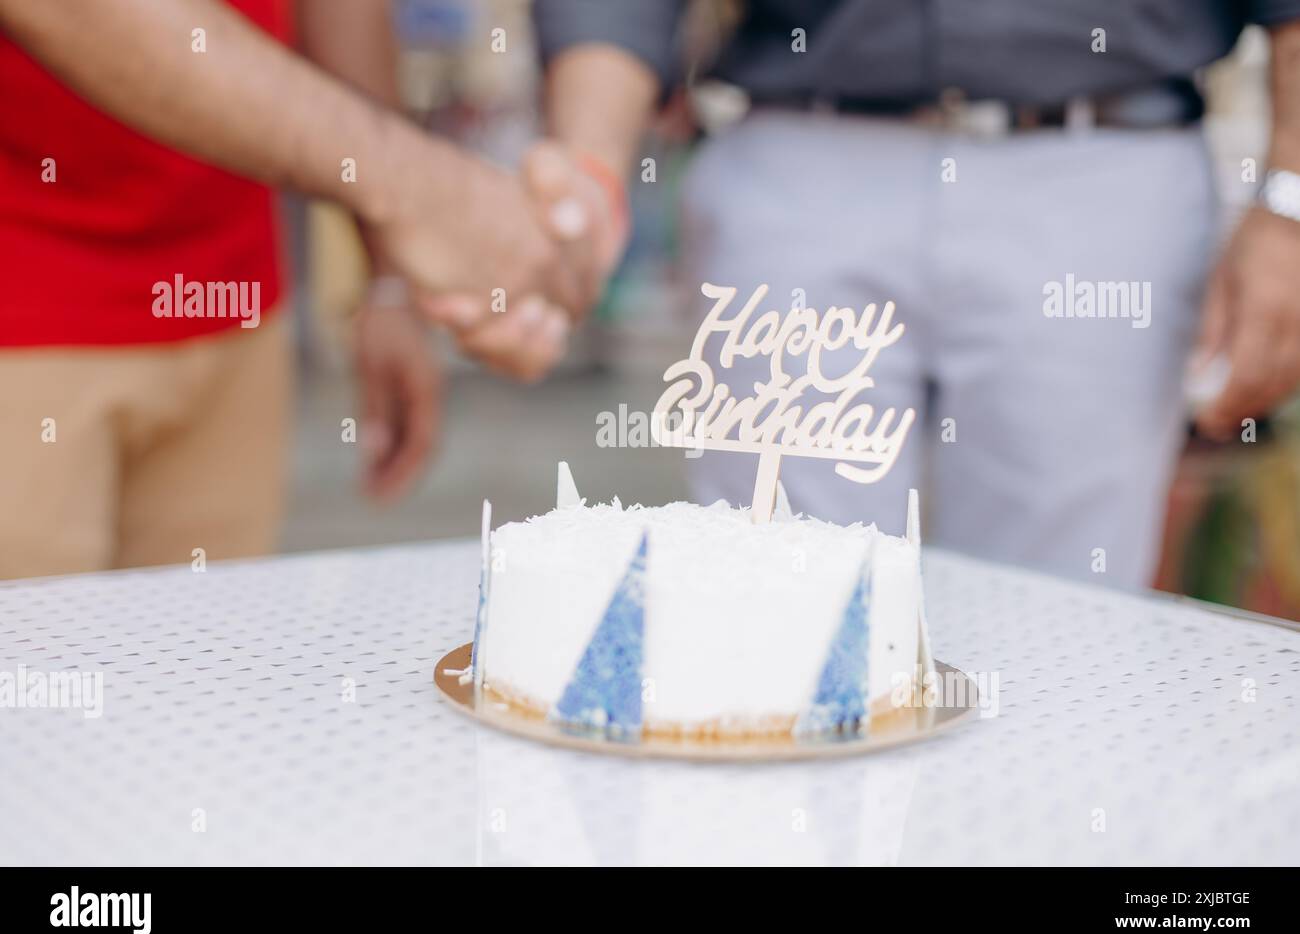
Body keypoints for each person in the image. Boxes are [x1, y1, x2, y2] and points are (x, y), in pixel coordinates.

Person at [531, 0, 1300, 588]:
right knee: (779, 610)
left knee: (1066, 625)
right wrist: (588, 174)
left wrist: (1293, 202)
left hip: (1103, 159)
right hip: (800, 164)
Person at [0, 0, 603, 579]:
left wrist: (389, 275)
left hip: (236, 298)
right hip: (23, 298)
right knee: (33, 677)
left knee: (207, 668)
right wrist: (426, 191)